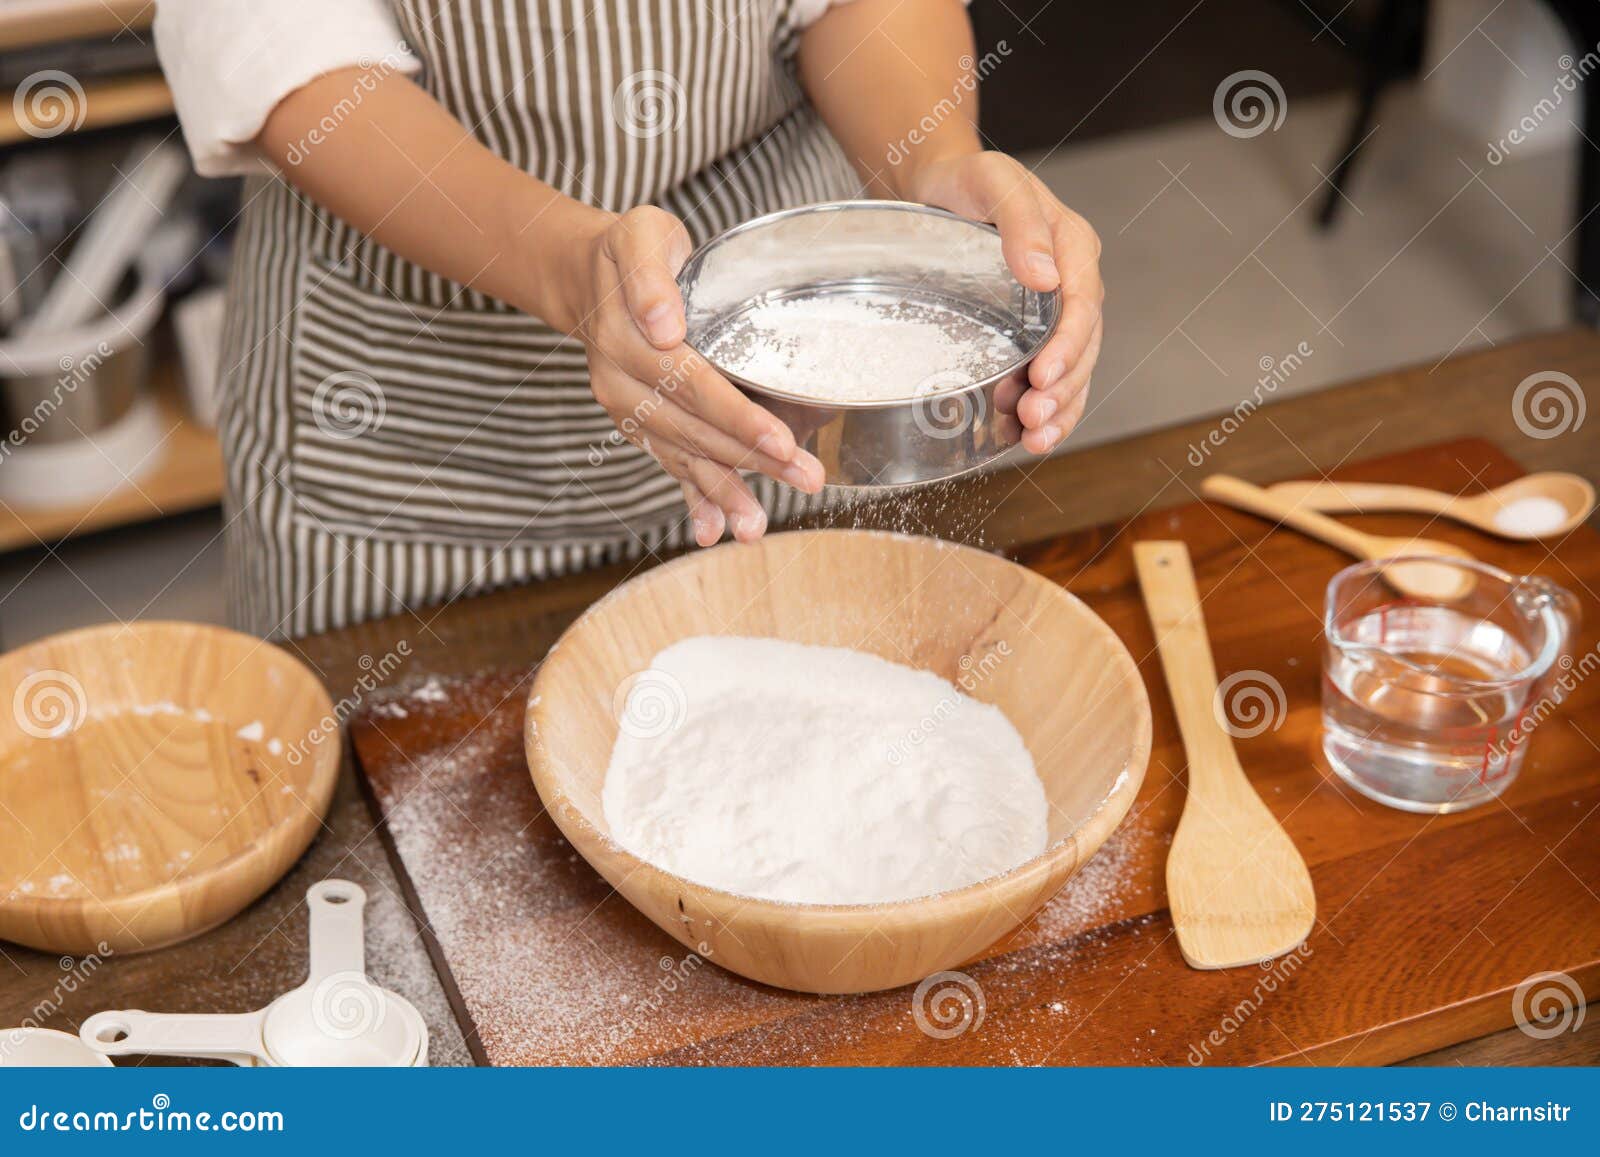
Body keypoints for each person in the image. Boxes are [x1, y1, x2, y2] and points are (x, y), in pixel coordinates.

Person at [154, 0, 1103, 639]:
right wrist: (574, 272)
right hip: (410, 435)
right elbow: (281, 52)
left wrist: (933, 172)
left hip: (783, 374)